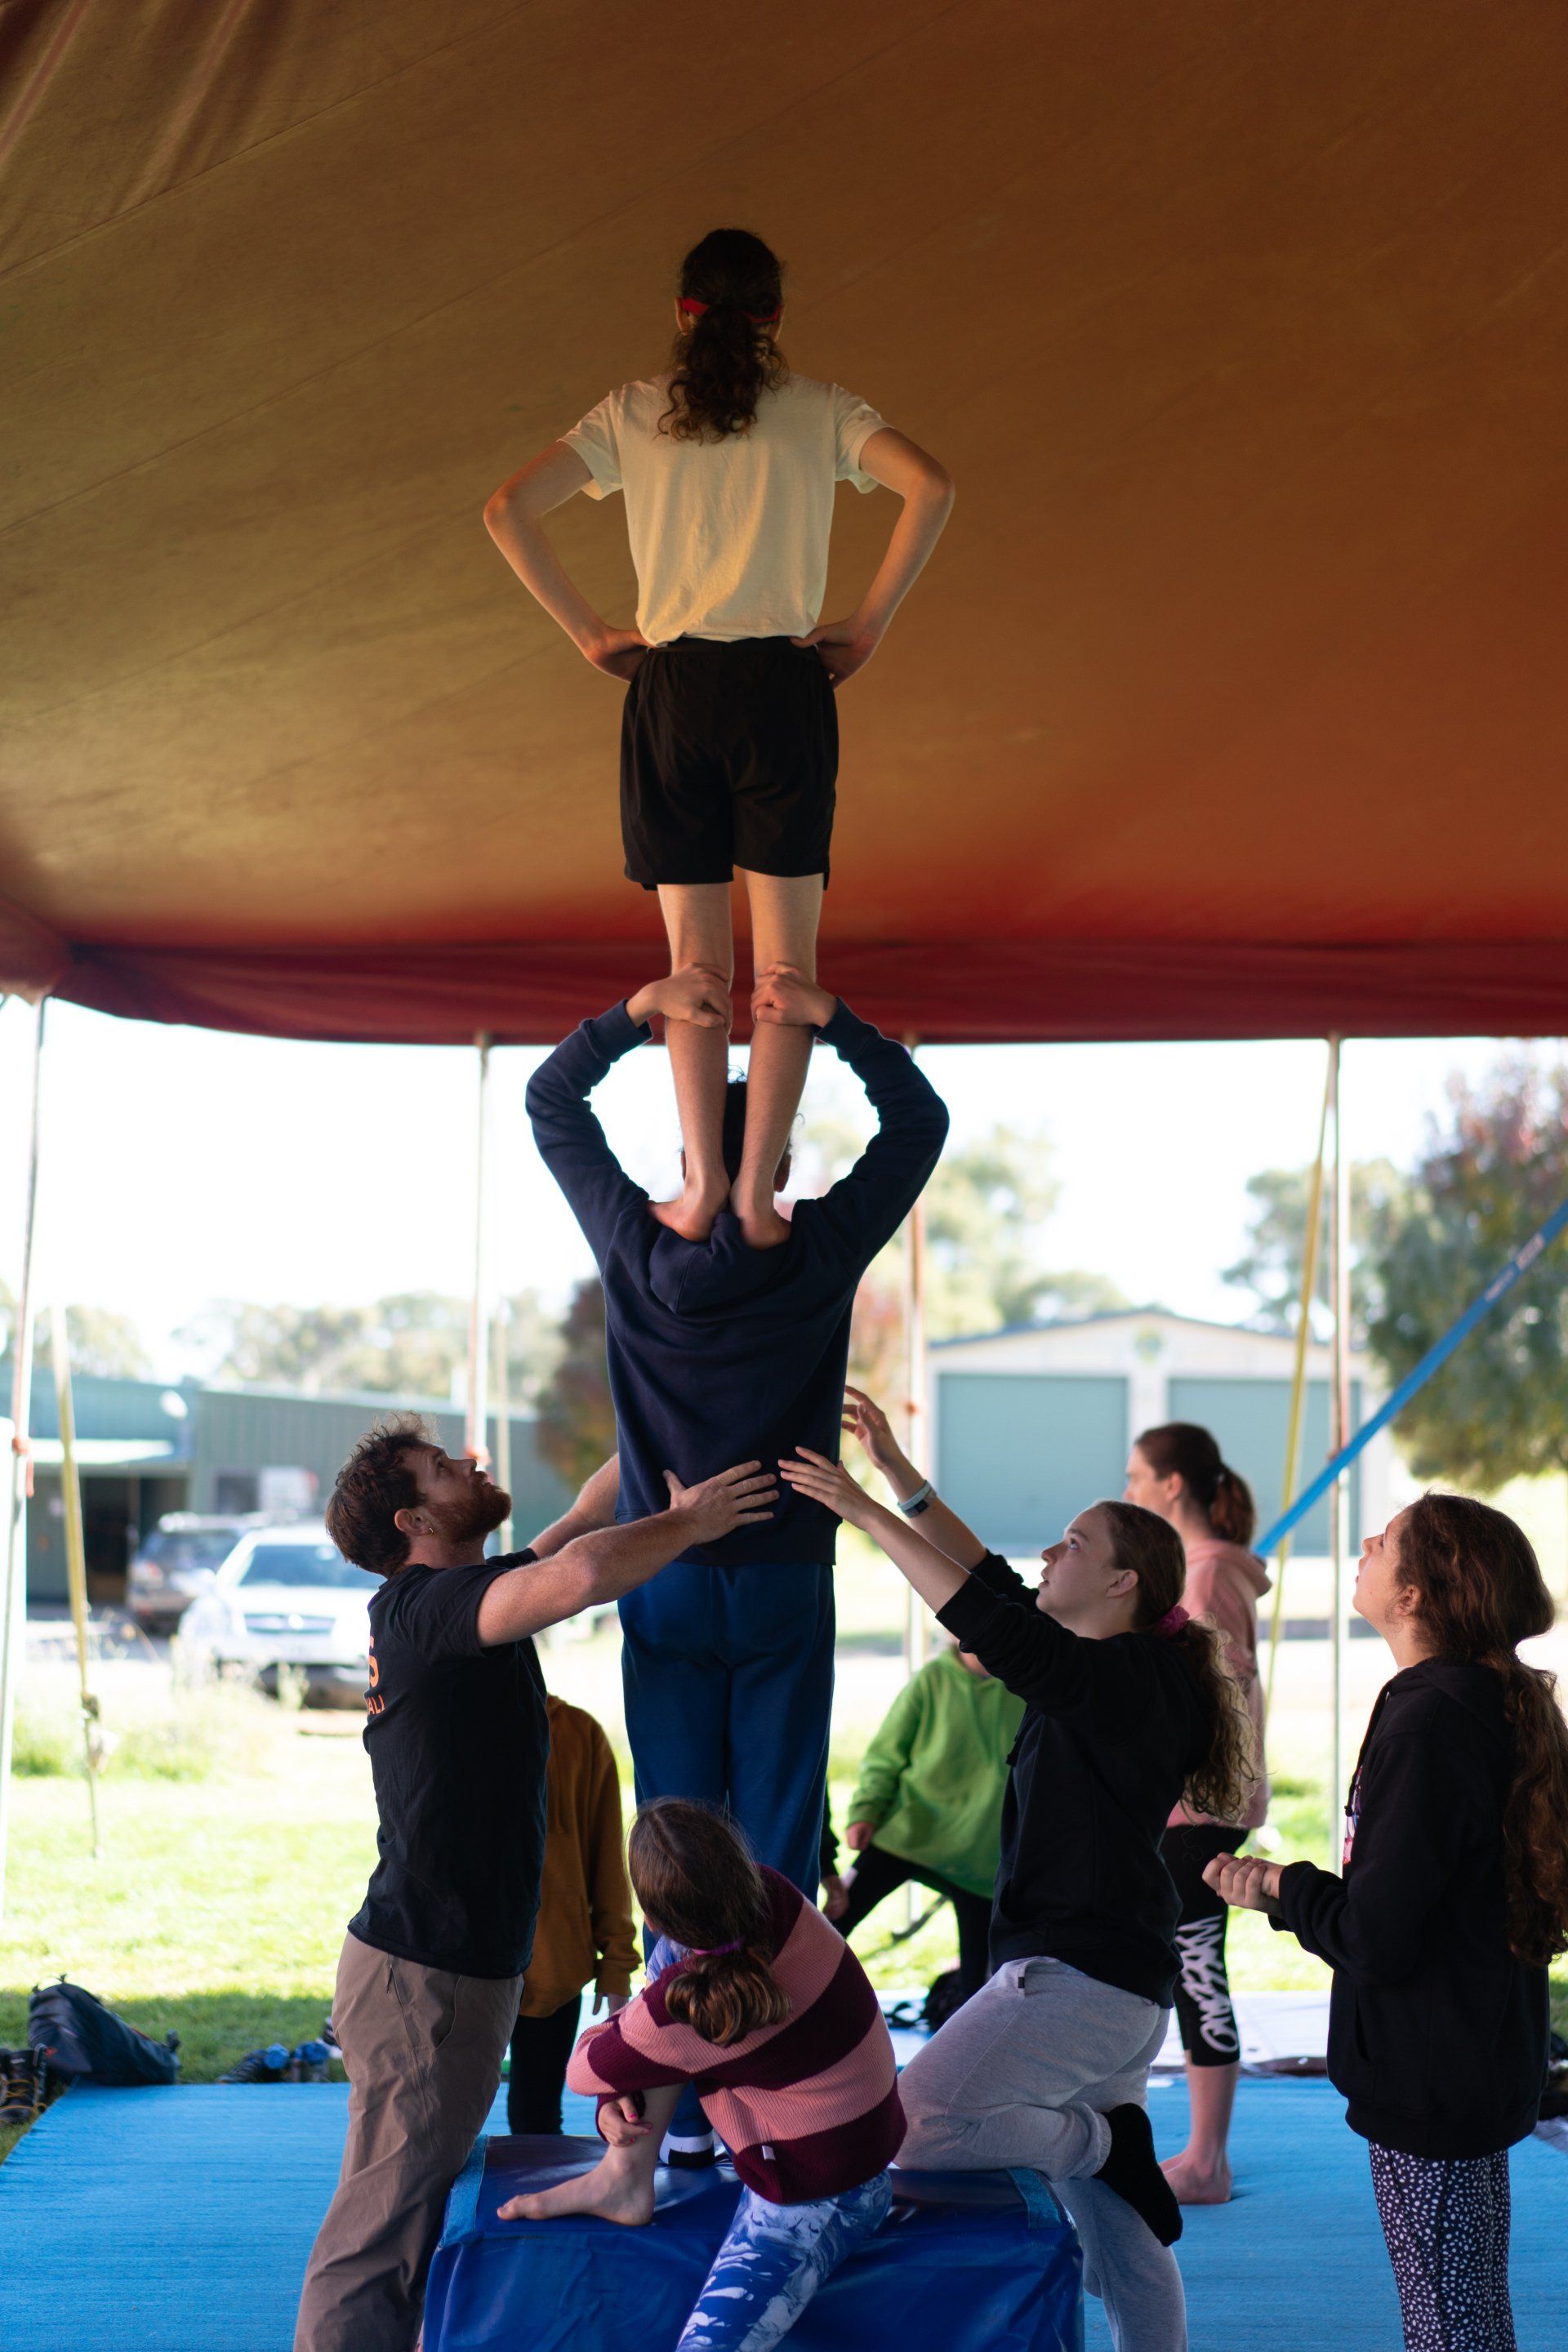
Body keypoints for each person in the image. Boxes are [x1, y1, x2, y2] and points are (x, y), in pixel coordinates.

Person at [484, 226, 954, 1246]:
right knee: (788, 969)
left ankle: (699, 1190)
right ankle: (753, 1201)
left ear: (682, 312)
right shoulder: (823, 409)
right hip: (783, 687)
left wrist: (591, 634)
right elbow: (933, 485)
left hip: (673, 688)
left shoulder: (632, 410)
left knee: (693, 965)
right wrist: (868, 624)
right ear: (775, 315)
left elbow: (507, 509)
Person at [292, 1420, 777, 2352]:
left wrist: (659, 1425)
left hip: (448, 1971)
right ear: (412, 1522)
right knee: (380, 2230)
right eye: (443, 1470)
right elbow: (582, 1574)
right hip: (424, 1979)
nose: (469, 1465)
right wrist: (692, 1522)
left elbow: (574, 1534)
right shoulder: (426, 1608)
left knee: (405, 2216)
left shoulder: (455, 1598)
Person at [780, 1443, 1258, 2352]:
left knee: (916, 2126)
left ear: (1121, 1582)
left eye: (1072, 1544)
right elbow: (990, 1586)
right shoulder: (1113, 1667)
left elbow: (985, 1619)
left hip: (1078, 1982)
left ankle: (1100, 2142)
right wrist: (899, 1478)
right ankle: (1109, 2161)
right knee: (1121, 2235)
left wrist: (861, 1512)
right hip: (1109, 1984)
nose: (1048, 1554)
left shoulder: (1127, 1678)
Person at [1208, 1494, 1568, 2352]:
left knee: (1450, 2320)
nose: (1368, 1543)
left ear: (1415, 1595)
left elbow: (1377, 1934)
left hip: (1435, 2067)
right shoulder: (1470, 1701)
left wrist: (1284, 1889)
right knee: (1463, 2308)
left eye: (1388, 1540)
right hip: (1466, 2052)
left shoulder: (1435, 1720)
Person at [501, 1799, 903, 2352]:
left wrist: (622, 2068)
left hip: (833, 2186)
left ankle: (624, 2177)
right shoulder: (773, 1892)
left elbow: (584, 2068)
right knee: (668, 1978)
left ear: (649, 1917)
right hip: (858, 2138)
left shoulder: (684, 2008)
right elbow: (641, 2040)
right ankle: (625, 2178)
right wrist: (629, 2064)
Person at [828, 1388, 1023, 2002]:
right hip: (912, 1830)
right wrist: (866, 1811)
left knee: (983, 1980)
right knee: (832, 1926)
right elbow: (887, 1752)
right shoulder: (935, 1680)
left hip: (982, 1856)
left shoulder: (1032, 1679)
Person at [1123, 1422, 1271, 2205]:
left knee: (1195, 1967)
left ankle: (1207, 2160)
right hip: (1194, 1803)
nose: (1129, 1490)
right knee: (1183, 1964)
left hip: (1199, 1809)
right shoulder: (1206, 1570)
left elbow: (1213, 1696)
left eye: (1136, 1477)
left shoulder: (1207, 1574)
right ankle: (1199, 2151)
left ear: (1172, 1484)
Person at [506, 1692, 637, 2136]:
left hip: (553, 1969)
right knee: (442, 2122)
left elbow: (608, 1857)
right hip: (459, 1972)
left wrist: (617, 1963)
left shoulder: (578, 1732)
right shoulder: (446, 1720)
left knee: (536, 2117)